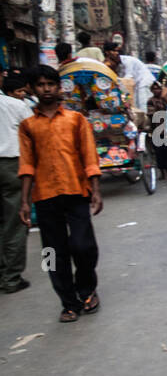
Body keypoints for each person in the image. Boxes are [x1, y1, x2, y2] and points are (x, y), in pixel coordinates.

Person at [16, 65, 101, 322]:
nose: (46, 89)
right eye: (40, 85)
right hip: (45, 195)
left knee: (83, 245)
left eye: (50, 84)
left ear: (58, 87)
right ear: (33, 89)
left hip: (76, 190)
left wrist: (96, 190)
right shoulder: (28, 125)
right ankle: (67, 301)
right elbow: (27, 164)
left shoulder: (76, 120)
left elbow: (89, 155)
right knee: (51, 253)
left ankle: (87, 289)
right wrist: (24, 201)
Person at [0, 72, 34, 294]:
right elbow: (33, 134)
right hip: (11, 164)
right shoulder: (15, 105)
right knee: (15, 219)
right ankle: (11, 277)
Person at [146, 81, 167, 179]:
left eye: (158, 88)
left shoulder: (165, 100)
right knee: (158, 152)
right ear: (152, 90)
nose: (157, 90)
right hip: (156, 128)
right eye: (155, 89)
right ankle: (162, 172)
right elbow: (150, 114)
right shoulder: (150, 101)